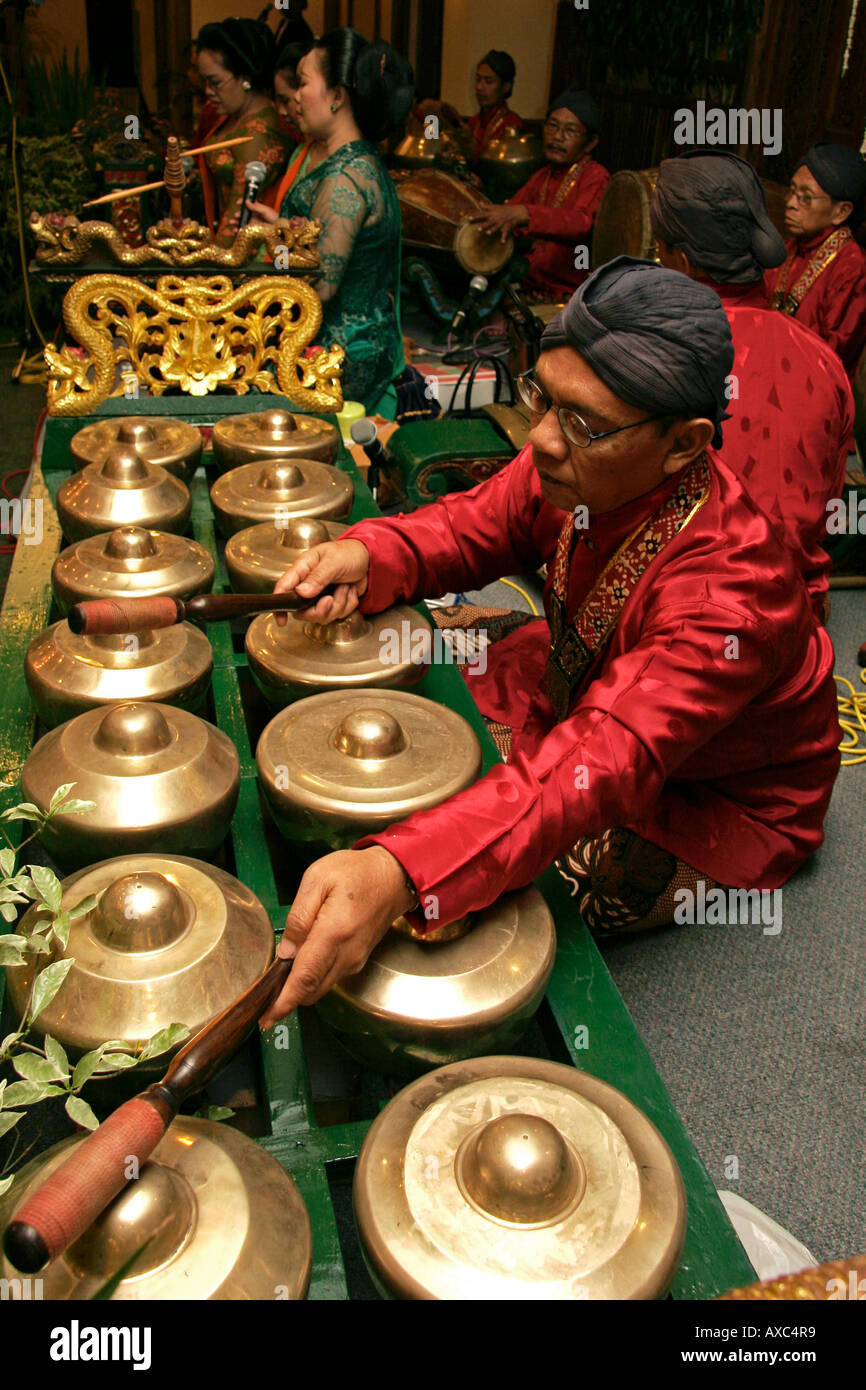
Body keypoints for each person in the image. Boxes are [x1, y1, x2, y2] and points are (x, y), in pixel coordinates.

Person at [257, 259, 841, 1024]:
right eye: (541, 398)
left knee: (471, 901)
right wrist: (374, 555)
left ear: (683, 444)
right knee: (401, 650)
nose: (541, 440)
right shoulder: (586, 466)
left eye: (583, 423)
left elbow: (603, 759)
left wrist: (403, 871)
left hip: (703, 794)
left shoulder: (734, 596)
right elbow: (476, 524)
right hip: (577, 681)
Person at [650, 149, 855, 617]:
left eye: (658, 251)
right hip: (794, 626)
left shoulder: (663, 351)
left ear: (681, 261)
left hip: (685, 625)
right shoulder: (825, 362)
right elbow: (826, 506)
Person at [246, 28, 414, 417]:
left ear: (337, 95)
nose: (297, 96)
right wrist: (284, 227)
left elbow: (319, 286)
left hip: (339, 361)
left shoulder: (345, 177)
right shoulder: (359, 161)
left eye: (304, 83)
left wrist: (278, 243)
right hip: (356, 346)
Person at [471, 90, 610, 300]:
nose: (557, 136)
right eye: (552, 126)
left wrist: (525, 215)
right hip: (530, 282)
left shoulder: (595, 175)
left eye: (570, 131)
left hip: (570, 293)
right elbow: (512, 212)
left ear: (590, 143)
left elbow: (581, 224)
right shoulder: (542, 175)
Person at [764, 144, 866, 377]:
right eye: (792, 192)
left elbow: (832, 354)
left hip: (813, 386)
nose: (790, 203)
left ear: (841, 212)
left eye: (805, 199)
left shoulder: (852, 267)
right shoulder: (790, 248)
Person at [195, 18, 293, 246]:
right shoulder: (233, 116)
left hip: (245, 259)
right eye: (204, 81)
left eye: (215, 82)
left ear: (245, 78)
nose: (207, 91)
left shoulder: (259, 132)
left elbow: (237, 220)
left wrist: (210, 270)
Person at [415, 50, 524, 168]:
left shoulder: (512, 124)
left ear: (506, 87)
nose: (479, 87)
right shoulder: (474, 122)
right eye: (478, 80)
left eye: (488, 81)